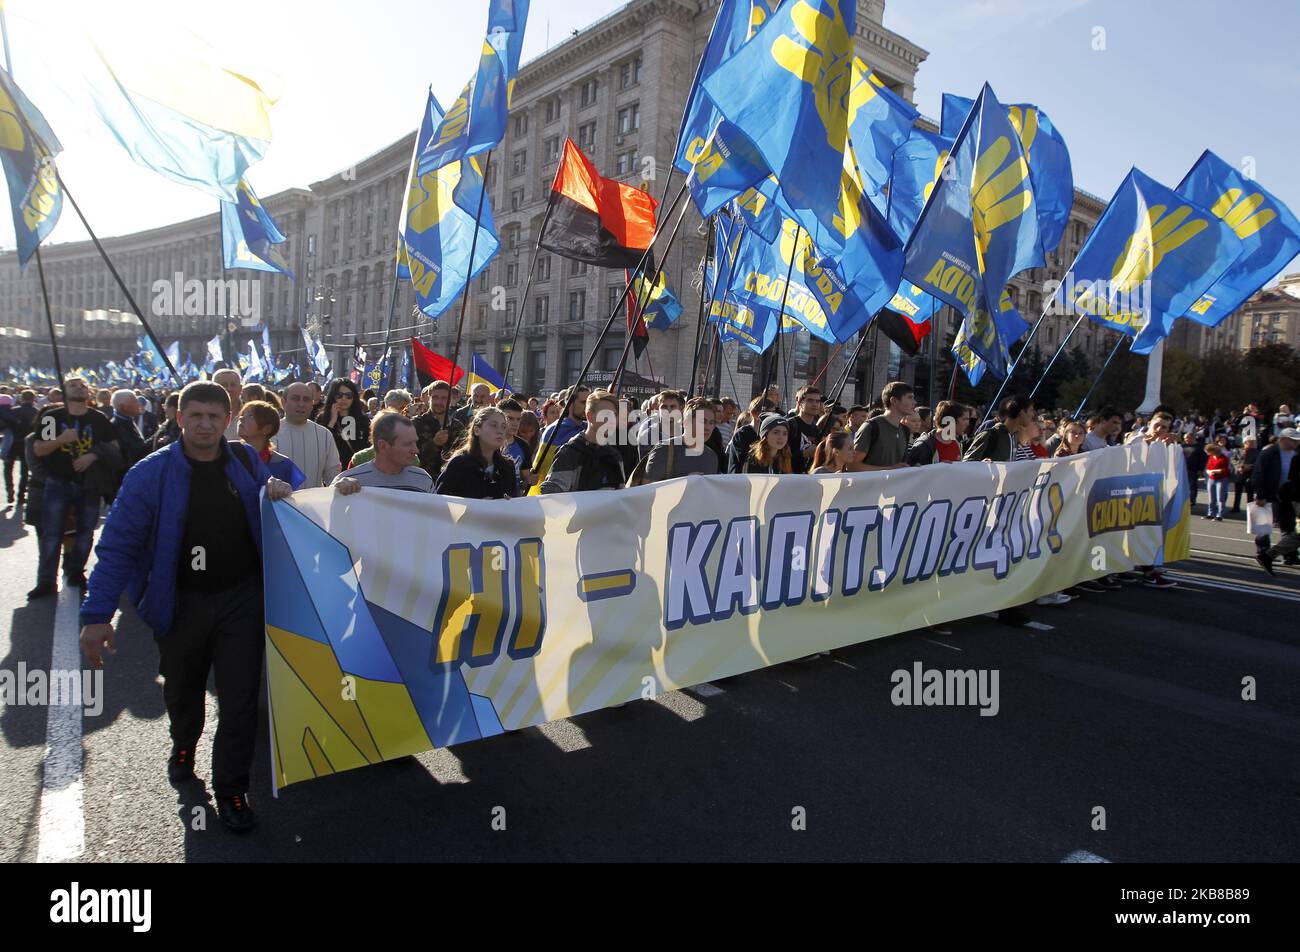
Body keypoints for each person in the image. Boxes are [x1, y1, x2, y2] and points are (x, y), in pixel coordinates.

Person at [79, 382, 295, 833]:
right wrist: (97, 616)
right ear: (179, 417)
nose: (205, 425)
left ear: (228, 418)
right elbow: (117, 547)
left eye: (215, 417)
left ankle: (232, 789)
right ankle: (183, 746)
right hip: (179, 604)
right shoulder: (148, 475)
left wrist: (282, 485)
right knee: (183, 691)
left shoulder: (243, 459)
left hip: (241, 601)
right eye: (195, 415)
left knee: (239, 700)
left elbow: (288, 495)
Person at [29, 377, 120, 599]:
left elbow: (114, 448)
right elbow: (40, 449)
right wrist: (62, 439)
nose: (80, 388)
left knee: (85, 532)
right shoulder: (52, 417)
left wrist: (93, 454)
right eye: (73, 385)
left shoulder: (98, 419)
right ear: (64, 392)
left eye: (83, 385)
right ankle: (46, 581)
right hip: (58, 482)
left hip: (88, 485)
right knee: (51, 533)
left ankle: (76, 571)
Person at [538, 390, 626, 493]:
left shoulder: (614, 456)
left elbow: (620, 497)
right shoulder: (569, 453)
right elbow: (553, 497)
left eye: (614, 415)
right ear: (590, 416)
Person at [334, 413, 433, 494]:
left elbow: (435, 516)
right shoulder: (350, 482)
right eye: (407, 444)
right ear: (383, 445)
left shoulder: (423, 480)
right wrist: (336, 490)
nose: (416, 450)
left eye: (415, 442)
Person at [433, 407, 518, 499]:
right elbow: (441, 502)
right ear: (477, 430)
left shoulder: (507, 467)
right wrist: (475, 505)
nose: (500, 431)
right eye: (494, 425)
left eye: (504, 427)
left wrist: (509, 503)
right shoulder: (459, 464)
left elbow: (515, 501)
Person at [637, 396, 719, 484]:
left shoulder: (711, 456)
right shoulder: (664, 449)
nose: (708, 428)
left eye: (711, 423)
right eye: (703, 421)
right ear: (686, 422)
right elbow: (647, 491)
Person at [277, 382, 342, 489]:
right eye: (295, 398)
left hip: (314, 503)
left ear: (312, 405)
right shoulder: (270, 433)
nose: (301, 404)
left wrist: (342, 483)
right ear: (283, 402)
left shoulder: (324, 435)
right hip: (278, 504)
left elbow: (333, 476)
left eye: (306, 400)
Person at [238, 400, 306, 489]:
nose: (241, 418)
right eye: (242, 414)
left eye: (250, 416)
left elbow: (291, 499)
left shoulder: (282, 464)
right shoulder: (229, 456)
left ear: (267, 429)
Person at [533, 384, 590, 484]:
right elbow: (546, 470)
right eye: (583, 402)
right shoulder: (555, 430)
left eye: (589, 403)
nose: (587, 407)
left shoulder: (588, 427)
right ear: (570, 404)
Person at [850, 382, 914, 471]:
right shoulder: (871, 427)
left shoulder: (905, 430)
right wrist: (889, 469)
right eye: (910, 397)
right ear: (894, 401)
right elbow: (852, 466)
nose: (914, 402)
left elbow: (900, 465)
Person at [412, 380, 464, 481]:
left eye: (444, 398)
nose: (439, 402)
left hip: (450, 482)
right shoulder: (416, 424)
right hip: (422, 481)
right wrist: (434, 443)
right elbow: (412, 457)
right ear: (429, 397)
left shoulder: (457, 426)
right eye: (435, 397)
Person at [315, 378, 370, 469]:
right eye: (339, 395)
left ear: (354, 397)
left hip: (357, 469)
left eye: (348, 396)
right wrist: (332, 421)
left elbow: (368, 446)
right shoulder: (323, 418)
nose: (344, 399)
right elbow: (320, 444)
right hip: (332, 470)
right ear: (333, 397)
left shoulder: (362, 419)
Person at [905, 400, 969, 466]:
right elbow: (913, 473)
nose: (968, 424)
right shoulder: (924, 445)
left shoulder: (957, 443)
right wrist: (937, 468)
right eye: (964, 419)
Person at [2, 389, 38, 506]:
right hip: (27, 444)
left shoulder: (12, 411)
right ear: (33, 399)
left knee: (8, 468)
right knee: (25, 471)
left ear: (21, 398)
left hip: (12, 443)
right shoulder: (37, 412)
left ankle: (10, 492)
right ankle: (21, 496)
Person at [726, 396, 775, 473]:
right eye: (767, 414)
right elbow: (745, 460)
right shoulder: (742, 434)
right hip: (742, 480)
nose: (771, 417)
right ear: (754, 413)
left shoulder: (769, 434)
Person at [782, 385, 824, 474]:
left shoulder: (817, 430)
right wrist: (804, 453)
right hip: (788, 478)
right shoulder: (789, 425)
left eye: (817, 401)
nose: (815, 404)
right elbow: (780, 456)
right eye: (810, 400)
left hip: (808, 479)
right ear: (800, 402)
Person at [109, 389, 150, 473]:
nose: (139, 404)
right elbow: (136, 450)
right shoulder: (117, 427)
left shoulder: (127, 421)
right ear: (124, 407)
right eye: (135, 401)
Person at [212, 369, 243, 441]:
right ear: (214, 388)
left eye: (233, 385)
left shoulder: (252, 415)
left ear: (241, 388)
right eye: (224, 385)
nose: (229, 388)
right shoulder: (205, 415)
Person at [1231, 437, 1258, 513]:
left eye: (1253, 442)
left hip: (1250, 474)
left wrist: (1250, 466)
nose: (1252, 444)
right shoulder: (1237, 450)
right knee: (1237, 492)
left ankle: (1250, 509)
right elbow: (1233, 459)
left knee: (1250, 493)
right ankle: (1236, 507)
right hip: (1239, 473)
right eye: (1250, 442)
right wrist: (1240, 466)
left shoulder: (1256, 452)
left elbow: (1258, 462)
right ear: (1245, 443)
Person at [1204, 442, 1230, 520]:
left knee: (1220, 498)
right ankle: (1210, 513)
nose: (1208, 454)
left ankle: (1220, 515)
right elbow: (1208, 467)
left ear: (1213, 451)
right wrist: (1208, 471)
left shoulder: (1223, 458)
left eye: (1209, 452)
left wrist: (1215, 471)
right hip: (1211, 479)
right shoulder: (1211, 457)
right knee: (1211, 498)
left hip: (1221, 479)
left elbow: (1225, 470)